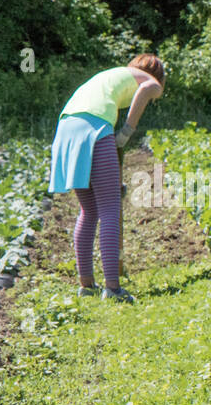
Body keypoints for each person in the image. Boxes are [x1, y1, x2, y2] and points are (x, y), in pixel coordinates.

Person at [49, 54, 166, 303]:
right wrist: (126, 131)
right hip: (94, 126)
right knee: (110, 208)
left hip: (66, 127)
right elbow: (147, 89)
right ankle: (113, 289)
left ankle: (86, 285)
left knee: (89, 210)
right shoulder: (150, 80)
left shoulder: (112, 76)